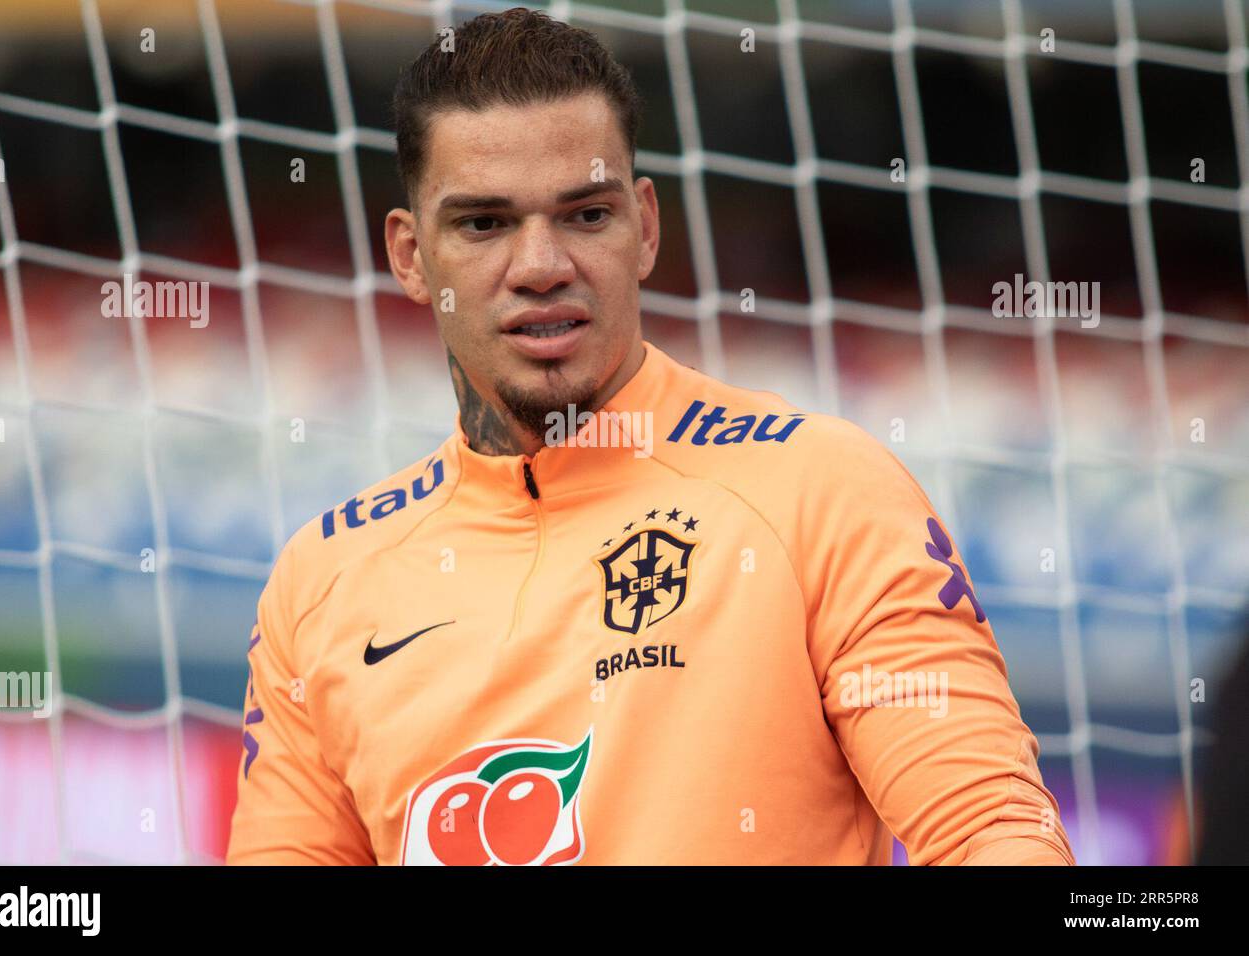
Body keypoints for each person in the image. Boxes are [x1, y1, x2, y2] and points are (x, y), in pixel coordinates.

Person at [226, 7, 1073, 866]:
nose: (540, 265)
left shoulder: (821, 491)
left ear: (646, 227)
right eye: (484, 224)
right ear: (410, 257)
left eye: (586, 216)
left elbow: (990, 834)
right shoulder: (322, 582)